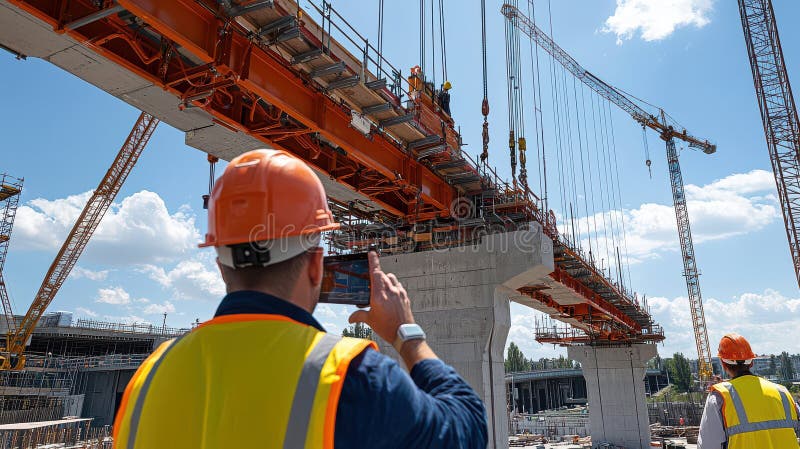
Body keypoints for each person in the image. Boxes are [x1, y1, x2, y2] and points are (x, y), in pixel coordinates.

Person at [112, 149, 488, 449]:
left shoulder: (148, 378)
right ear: (314, 268)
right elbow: (467, 427)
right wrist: (407, 334)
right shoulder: (350, 377)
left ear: (221, 265)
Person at [698, 333, 800, 449]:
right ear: (751, 362)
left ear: (723, 363)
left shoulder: (719, 397)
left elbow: (708, 445)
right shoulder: (782, 393)